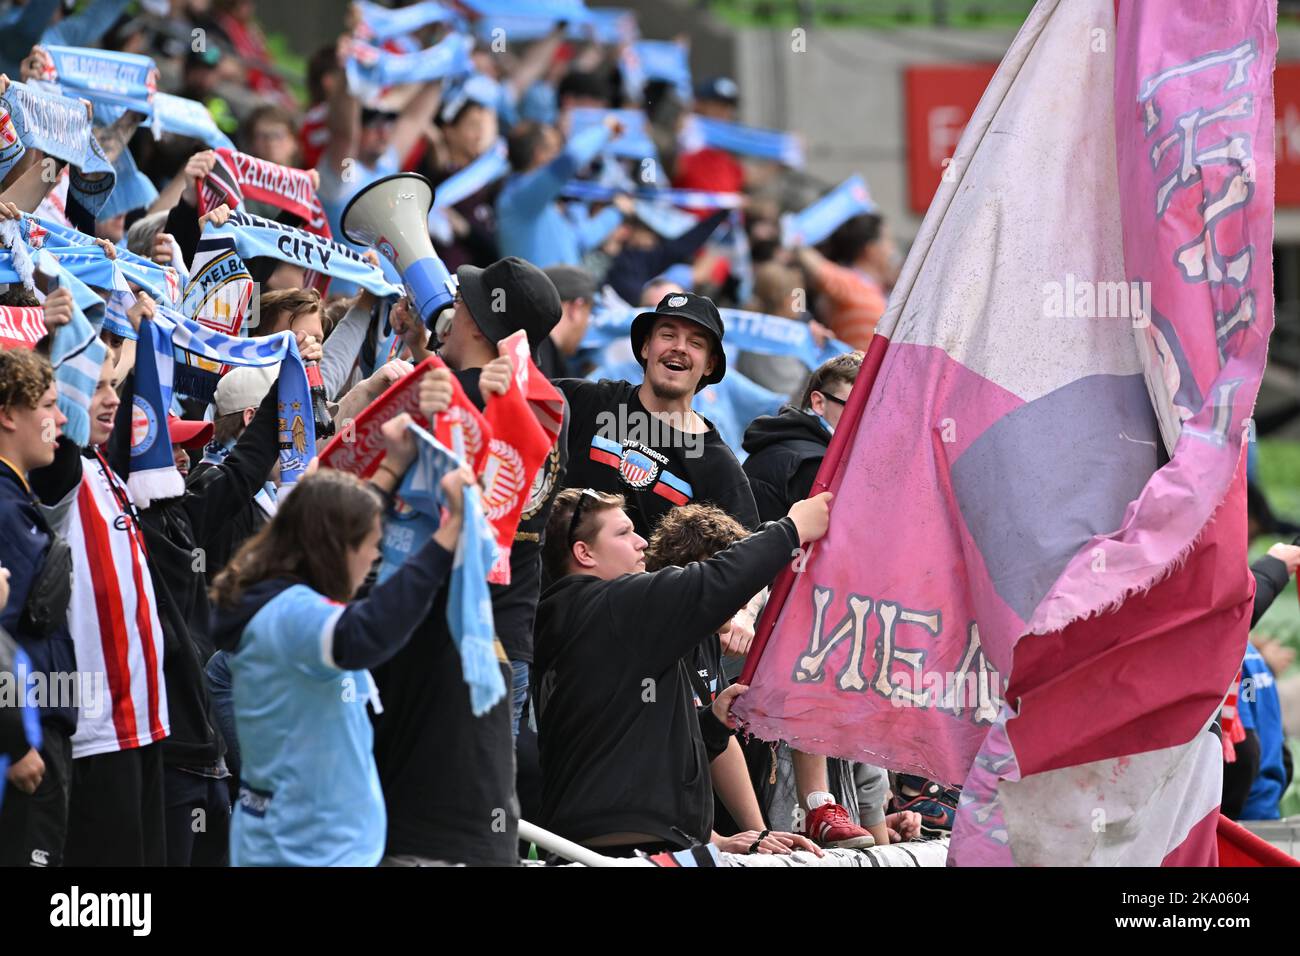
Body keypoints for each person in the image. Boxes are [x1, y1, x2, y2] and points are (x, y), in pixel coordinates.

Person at [209, 414, 472, 866]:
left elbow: (336, 519)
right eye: (370, 544)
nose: (374, 555)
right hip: (304, 853)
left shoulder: (282, 600)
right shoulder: (290, 616)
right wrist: (449, 536)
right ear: (334, 549)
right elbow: (369, 634)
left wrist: (391, 467)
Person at [532, 486, 831, 856]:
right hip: (632, 851)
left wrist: (711, 725)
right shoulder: (613, 605)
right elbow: (714, 581)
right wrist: (791, 529)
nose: (641, 542)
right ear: (584, 552)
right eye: (623, 533)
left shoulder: (571, 616)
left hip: (596, 846)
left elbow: (619, 741)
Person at [29, 349, 170, 866]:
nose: (114, 399)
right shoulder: (53, 477)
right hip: (94, 733)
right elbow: (59, 449)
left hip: (146, 720)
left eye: (116, 385)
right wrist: (68, 322)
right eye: (97, 388)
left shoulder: (101, 465)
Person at [555, 291, 759, 539]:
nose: (679, 347)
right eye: (668, 335)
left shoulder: (720, 470)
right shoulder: (590, 401)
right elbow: (516, 395)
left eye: (696, 343)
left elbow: (745, 562)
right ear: (645, 347)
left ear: (709, 365)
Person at [0, 348, 73, 867]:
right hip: (23, 744)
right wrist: (15, 743)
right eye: (49, 404)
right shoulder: (3, 510)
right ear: (8, 414)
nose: (62, 418)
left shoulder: (15, 500)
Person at [496, 114, 632, 268]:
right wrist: (605, 129)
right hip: (551, 291)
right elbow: (570, 158)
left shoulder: (538, 205)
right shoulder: (519, 199)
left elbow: (578, 241)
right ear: (539, 154)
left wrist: (616, 212)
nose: (558, 154)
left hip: (570, 288)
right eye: (555, 149)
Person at [742, 352, 863, 523]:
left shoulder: (788, 440)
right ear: (819, 403)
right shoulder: (815, 464)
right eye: (855, 407)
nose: (864, 418)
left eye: (872, 409)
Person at [794, 213, 897, 352]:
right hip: (853, 371)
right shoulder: (852, 282)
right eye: (887, 240)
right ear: (871, 249)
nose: (892, 249)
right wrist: (795, 237)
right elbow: (814, 264)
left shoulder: (875, 287)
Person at [538, 265, 597, 380]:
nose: (588, 324)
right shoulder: (538, 359)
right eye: (588, 313)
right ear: (575, 308)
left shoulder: (522, 345)